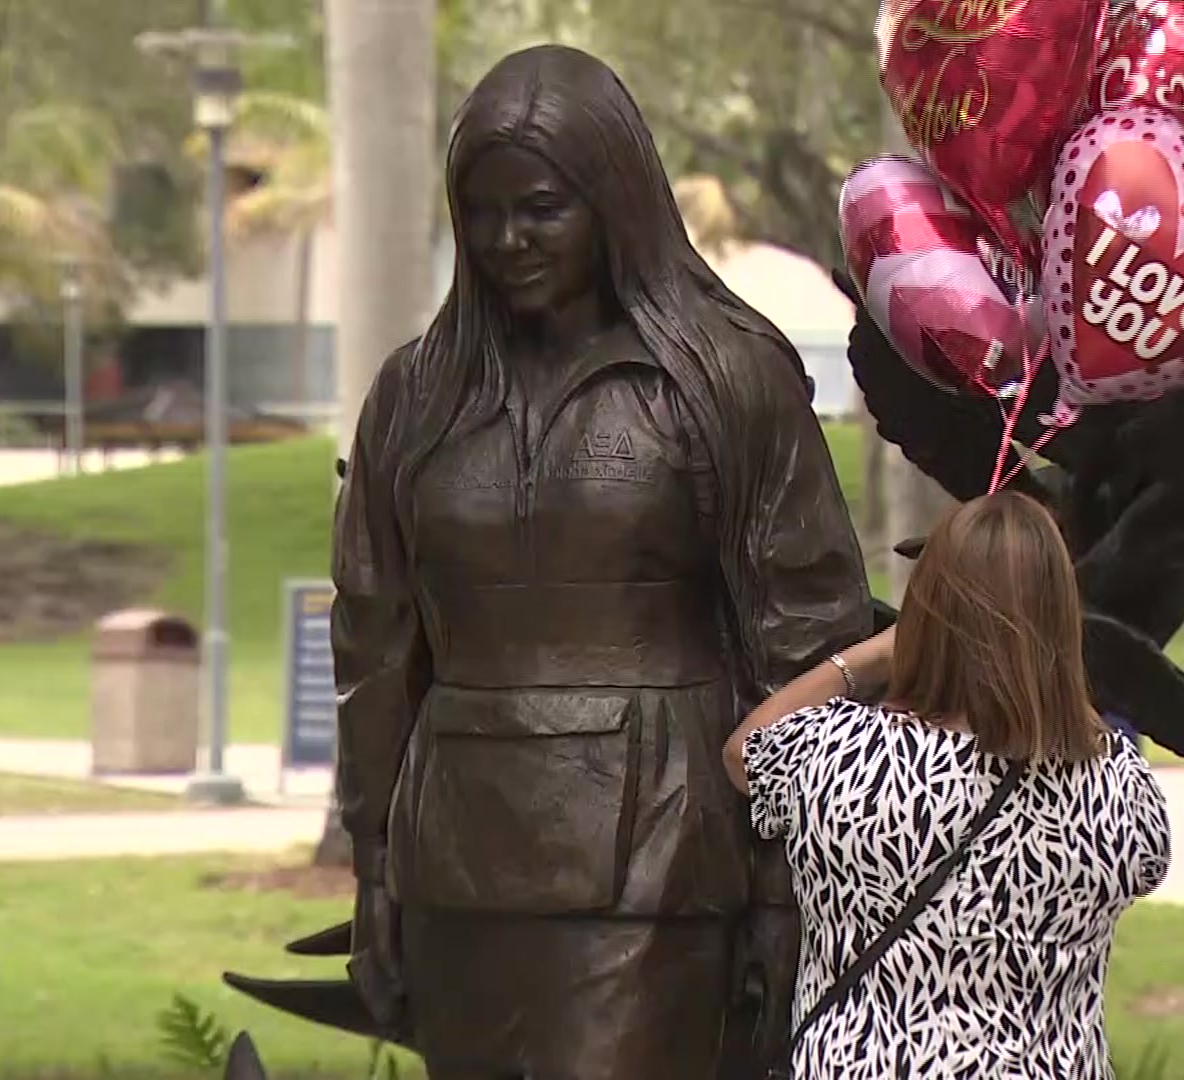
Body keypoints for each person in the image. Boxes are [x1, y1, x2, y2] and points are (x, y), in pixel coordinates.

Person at [328, 44, 877, 1080]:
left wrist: (784, 884)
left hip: (660, 867)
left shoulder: (726, 376)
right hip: (459, 862)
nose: (507, 240)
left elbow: (804, 638)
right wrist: (373, 866)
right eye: (482, 214)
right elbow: (374, 642)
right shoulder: (416, 394)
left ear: (612, 198)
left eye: (541, 209)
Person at [725, 491, 1172, 1079]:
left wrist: (871, 656)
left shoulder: (840, 757)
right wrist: (1050, 666)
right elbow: (1142, 851)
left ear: (925, 614)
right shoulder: (1119, 794)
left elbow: (743, 752)